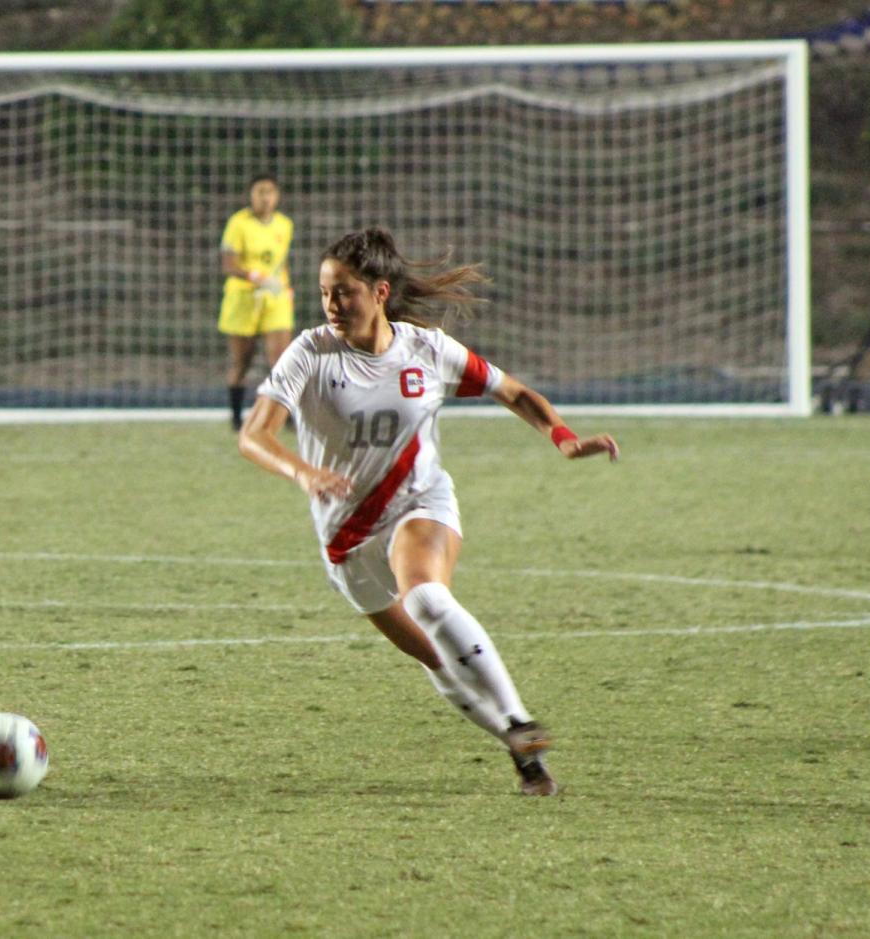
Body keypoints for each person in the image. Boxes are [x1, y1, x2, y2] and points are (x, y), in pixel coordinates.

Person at [238, 227, 619, 795]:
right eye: (324, 293)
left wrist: (562, 436)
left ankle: (518, 718)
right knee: (434, 658)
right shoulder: (312, 353)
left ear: (380, 292)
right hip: (346, 539)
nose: (332, 305)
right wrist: (305, 471)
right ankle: (520, 753)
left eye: (344, 292)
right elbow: (254, 435)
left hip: (419, 503)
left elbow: (510, 390)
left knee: (427, 596)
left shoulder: (426, 350)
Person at [218, 173, 294, 431]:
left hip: (275, 298)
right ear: (251, 195)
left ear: (277, 196)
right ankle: (236, 417)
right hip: (243, 299)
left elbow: (281, 262)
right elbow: (228, 264)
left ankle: (286, 416)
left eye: (269, 192)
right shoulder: (238, 224)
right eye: (260, 192)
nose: (265, 197)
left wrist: (287, 287)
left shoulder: (284, 224)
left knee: (282, 360)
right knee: (243, 362)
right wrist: (254, 277)